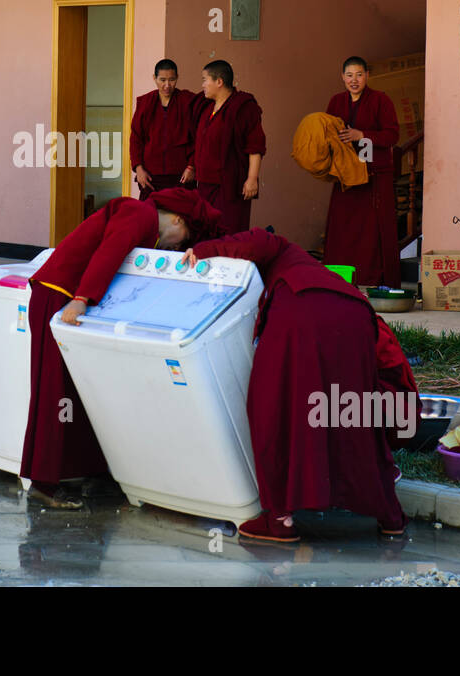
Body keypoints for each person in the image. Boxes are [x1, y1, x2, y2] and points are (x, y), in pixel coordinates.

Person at [181, 228, 407, 542]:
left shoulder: (281, 250)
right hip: (356, 315)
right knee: (349, 414)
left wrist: (204, 249)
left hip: (301, 308)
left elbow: (260, 239)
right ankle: (390, 516)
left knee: (269, 408)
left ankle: (279, 520)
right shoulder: (313, 268)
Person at [20, 188, 223, 508]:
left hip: (69, 299)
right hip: (57, 295)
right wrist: (82, 298)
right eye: (183, 237)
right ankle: (43, 482)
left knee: (79, 392)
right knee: (54, 392)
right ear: (178, 219)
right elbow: (110, 251)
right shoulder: (140, 214)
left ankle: (90, 471)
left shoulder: (145, 228)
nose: (178, 246)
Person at [323, 56, 401, 287]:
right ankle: (340, 279)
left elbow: (392, 135)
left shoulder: (380, 100)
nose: (354, 80)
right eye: (349, 75)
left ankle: (373, 279)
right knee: (342, 229)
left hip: (374, 175)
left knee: (372, 231)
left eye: (359, 75)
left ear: (367, 75)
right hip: (345, 175)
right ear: (342, 78)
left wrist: (362, 135)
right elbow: (326, 132)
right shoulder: (336, 102)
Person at [189, 59, 265, 233]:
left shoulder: (243, 107)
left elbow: (255, 146)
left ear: (219, 82)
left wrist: (252, 179)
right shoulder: (207, 108)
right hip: (205, 185)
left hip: (230, 185)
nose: (203, 85)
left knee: (229, 233)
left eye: (205, 79)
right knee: (207, 232)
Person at [129, 58, 202, 200]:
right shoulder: (145, 103)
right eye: (162, 80)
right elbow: (136, 138)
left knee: (182, 220)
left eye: (172, 80)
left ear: (177, 78)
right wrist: (138, 168)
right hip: (151, 176)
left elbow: (198, 138)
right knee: (150, 218)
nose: (167, 85)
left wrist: (192, 166)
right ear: (154, 78)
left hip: (182, 175)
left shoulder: (187, 101)